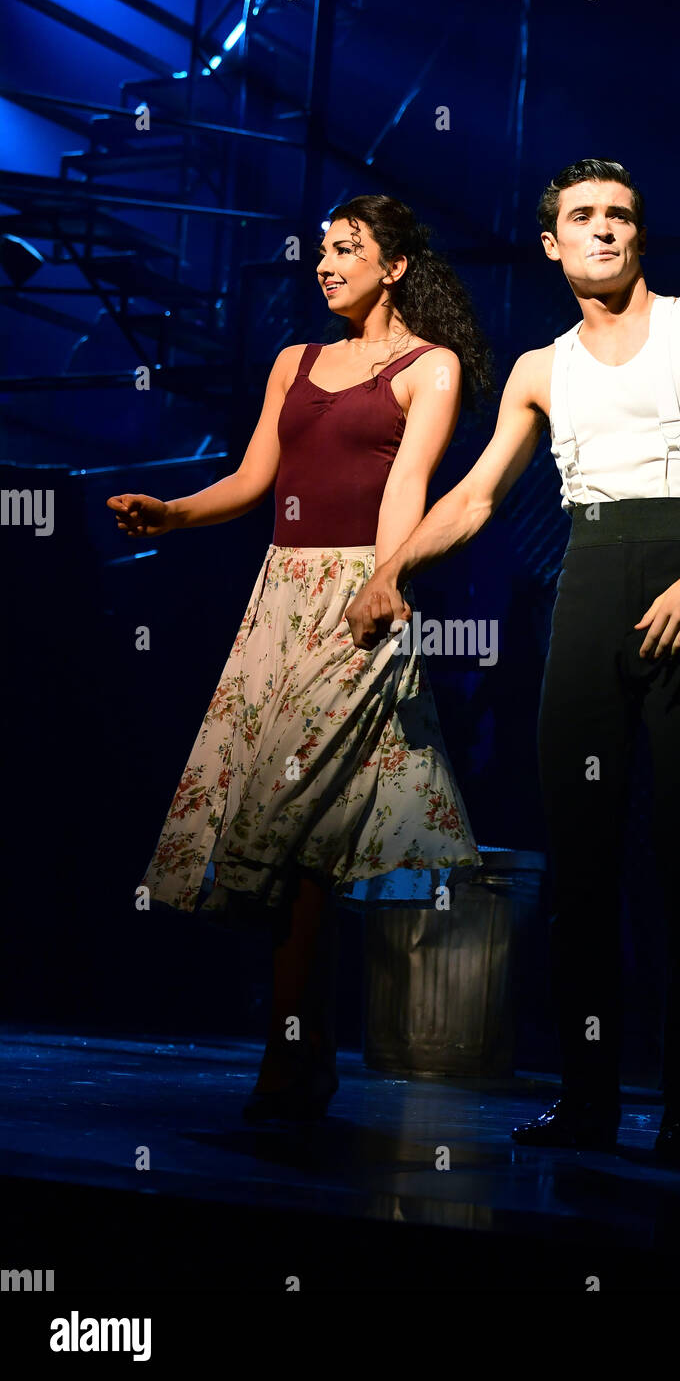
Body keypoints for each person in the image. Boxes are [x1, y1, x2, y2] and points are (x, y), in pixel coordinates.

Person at [346, 159, 680, 1168]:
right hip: (590, 584)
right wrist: (393, 570)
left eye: (621, 214)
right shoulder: (542, 366)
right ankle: (588, 1101)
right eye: (582, 216)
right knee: (580, 863)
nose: (604, 230)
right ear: (551, 243)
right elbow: (477, 494)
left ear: (640, 233)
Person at [108, 195, 492, 1123]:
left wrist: (388, 581)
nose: (325, 264)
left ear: (394, 266)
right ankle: (300, 1040)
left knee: (296, 812)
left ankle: (292, 1042)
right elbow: (251, 479)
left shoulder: (428, 368)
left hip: (359, 593)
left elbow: (409, 484)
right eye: (322, 250)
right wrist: (173, 512)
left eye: (347, 250)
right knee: (270, 815)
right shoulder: (297, 361)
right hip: (279, 594)